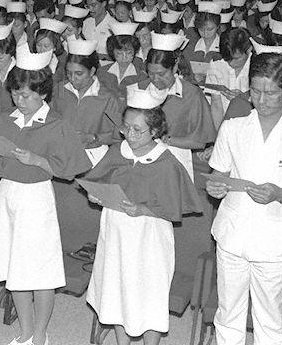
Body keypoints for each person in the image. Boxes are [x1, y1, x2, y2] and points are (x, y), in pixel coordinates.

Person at [206, 52, 282, 345]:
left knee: (270, 317)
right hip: (232, 234)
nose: (261, 100)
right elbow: (216, 175)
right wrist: (215, 187)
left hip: (274, 242)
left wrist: (281, 195)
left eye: (271, 93)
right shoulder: (233, 126)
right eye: (255, 92)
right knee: (228, 312)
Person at [0, 44, 90, 345]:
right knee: (15, 266)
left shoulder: (56, 124)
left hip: (36, 199)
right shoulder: (6, 120)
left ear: (42, 93)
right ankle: (25, 332)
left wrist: (37, 160)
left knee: (39, 269)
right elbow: (2, 166)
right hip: (8, 195)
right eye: (15, 94)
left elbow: (71, 168)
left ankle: (40, 334)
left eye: (26, 95)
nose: (20, 100)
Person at [84, 86, 204, 345]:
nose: (130, 134)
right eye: (126, 128)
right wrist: (97, 195)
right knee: (116, 287)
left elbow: (174, 207)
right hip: (115, 231)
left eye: (138, 130)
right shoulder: (118, 152)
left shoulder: (166, 162)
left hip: (149, 237)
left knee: (149, 292)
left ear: (155, 131)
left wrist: (143, 209)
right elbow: (99, 181)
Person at [129, 32, 216, 179]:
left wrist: (166, 140)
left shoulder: (191, 94)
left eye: (161, 74)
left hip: (176, 160)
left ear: (175, 68)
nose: (155, 79)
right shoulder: (139, 89)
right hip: (140, 157)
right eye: (150, 73)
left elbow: (200, 140)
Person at [52, 38, 122, 167]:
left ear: (92, 71)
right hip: (61, 155)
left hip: (94, 159)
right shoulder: (60, 90)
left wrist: (93, 138)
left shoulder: (106, 97)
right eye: (69, 73)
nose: (73, 79)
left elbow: (119, 134)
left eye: (79, 74)